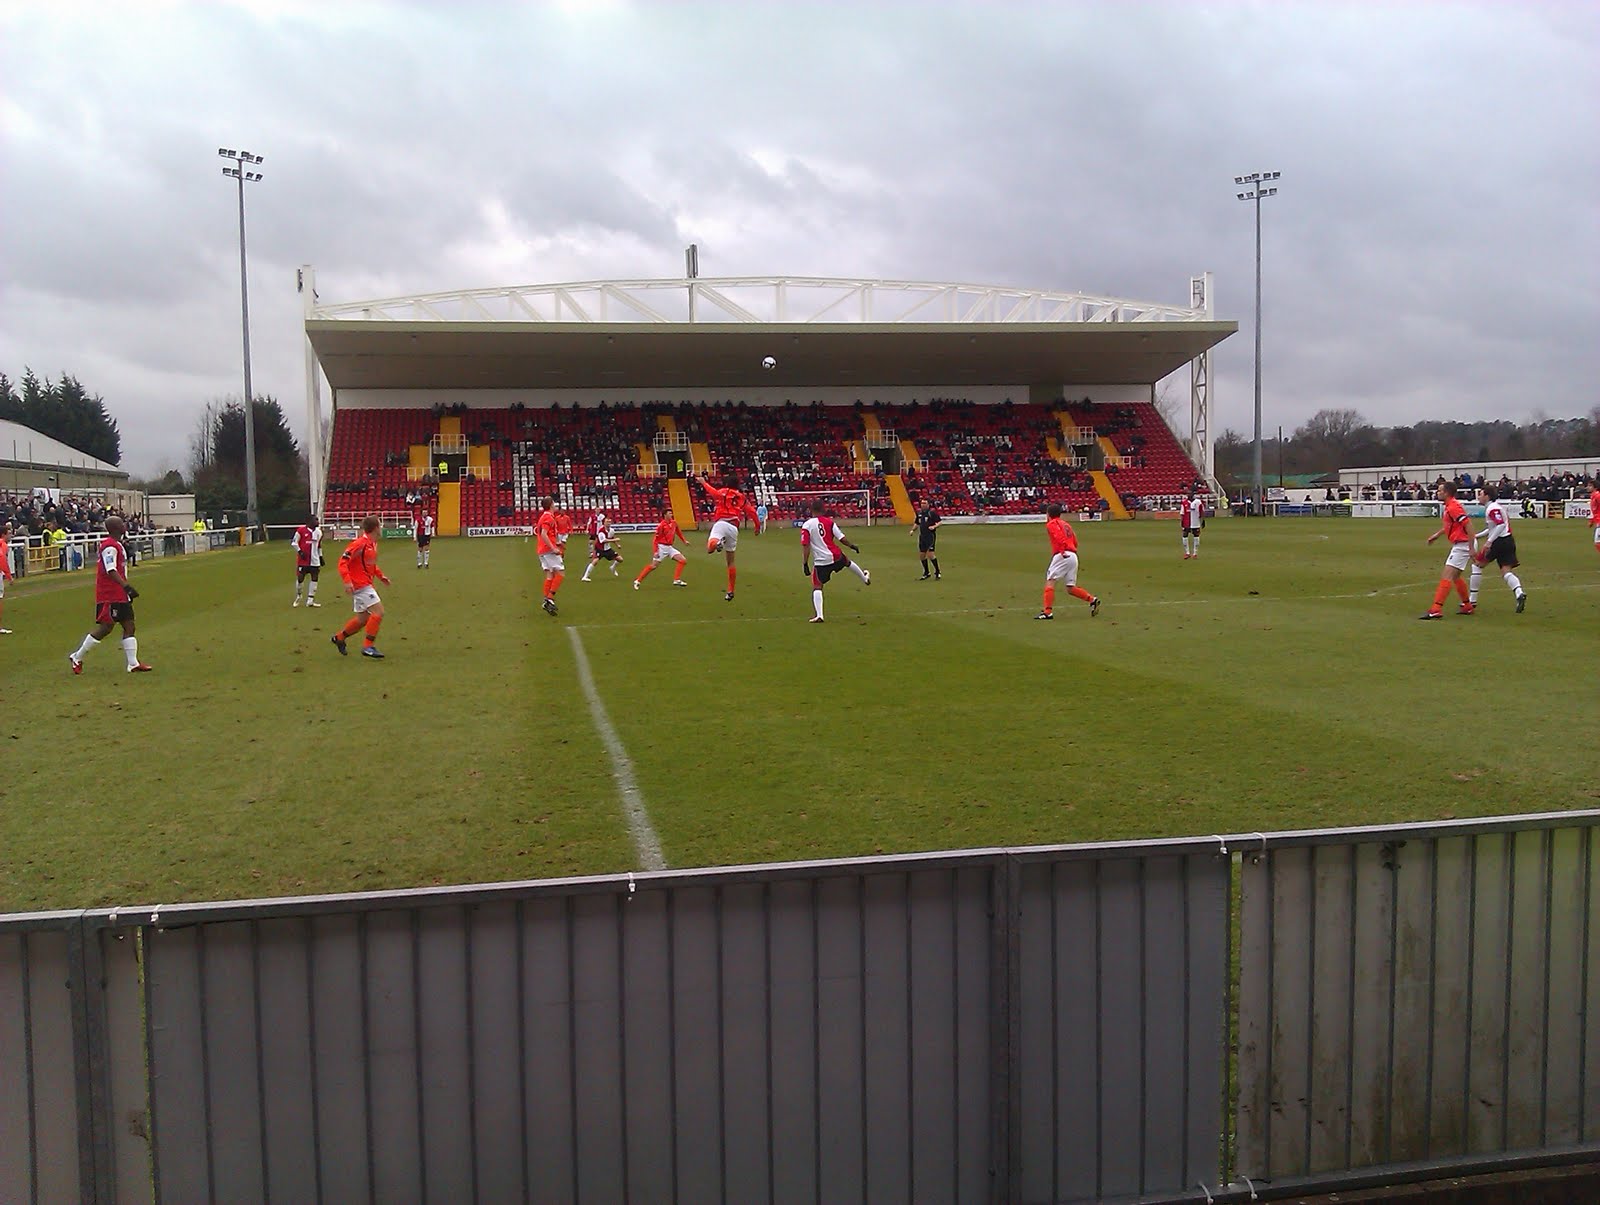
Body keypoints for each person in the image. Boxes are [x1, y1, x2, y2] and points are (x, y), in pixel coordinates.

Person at [67, 516, 152, 673]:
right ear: (115, 528)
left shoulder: (117, 544)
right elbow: (110, 569)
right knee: (106, 628)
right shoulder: (110, 547)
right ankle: (77, 657)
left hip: (119, 594)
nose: (124, 525)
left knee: (129, 625)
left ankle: (132, 663)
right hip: (110, 594)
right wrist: (126, 586)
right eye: (121, 523)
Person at [330, 516, 391, 658]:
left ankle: (339, 638)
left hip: (365, 584)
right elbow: (342, 562)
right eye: (380, 525)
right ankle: (368, 647)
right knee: (378, 612)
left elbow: (371, 565)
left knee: (362, 619)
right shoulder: (360, 544)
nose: (381, 528)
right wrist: (347, 581)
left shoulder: (372, 544)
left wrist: (381, 576)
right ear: (376, 528)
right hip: (361, 585)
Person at [800, 503, 870, 622]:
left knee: (817, 586)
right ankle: (864, 579)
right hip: (835, 555)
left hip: (821, 561)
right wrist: (852, 546)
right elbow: (841, 538)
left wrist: (805, 563)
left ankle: (820, 615)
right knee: (847, 562)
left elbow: (806, 545)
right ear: (823, 510)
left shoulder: (807, 525)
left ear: (811, 511)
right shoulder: (830, 522)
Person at [695, 474, 758, 601]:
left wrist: (703, 482)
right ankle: (730, 591)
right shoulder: (741, 497)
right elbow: (751, 511)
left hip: (722, 523)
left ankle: (718, 542)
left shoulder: (723, 492)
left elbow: (712, 492)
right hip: (734, 528)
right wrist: (757, 526)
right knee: (731, 562)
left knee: (710, 548)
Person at [1419, 481, 1475, 619]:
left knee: (1447, 576)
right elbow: (1451, 526)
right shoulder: (1450, 507)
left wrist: (1471, 547)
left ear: (1446, 493)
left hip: (1462, 545)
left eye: (1439, 491)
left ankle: (1436, 609)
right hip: (1461, 544)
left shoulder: (1454, 507)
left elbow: (1469, 526)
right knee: (1455, 577)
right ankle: (1467, 606)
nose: (1437, 493)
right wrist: (1436, 535)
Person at [1036, 503, 1100, 620]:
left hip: (1063, 554)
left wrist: (1062, 550)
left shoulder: (1052, 524)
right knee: (1070, 588)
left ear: (1048, 514)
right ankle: (1092, 600)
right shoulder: (1066, 524)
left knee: (1050, 581)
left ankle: (1047, 612)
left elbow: (1058, 536)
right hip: (1073, 555)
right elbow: (1075, 541)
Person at [1470, 486, 1526, 612]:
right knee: (1506, 571)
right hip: (1508, 540)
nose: (1478, 496)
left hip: (1498, 542)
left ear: (1487, 496)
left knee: (1477, 565)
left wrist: (1489, 542)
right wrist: (1477, 536)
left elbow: (1500, 525)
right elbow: (1493, 528)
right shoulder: (1496, 507)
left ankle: (1471, 601)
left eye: (1480, 494)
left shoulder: (1492, 508)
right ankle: (1519, 593)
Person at [634, 508, 689, 589]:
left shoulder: (674, 523)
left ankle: (676, 580)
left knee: (683, 560)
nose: (671, 515)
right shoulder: (661, 526)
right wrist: (655, 551)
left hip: (669, 547)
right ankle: (638, 580)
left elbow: (678, 532)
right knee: (653, 566)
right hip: (661, 548)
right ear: (665, 515)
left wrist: (684, 541)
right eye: (669, 513)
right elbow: (655, 540)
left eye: (671, 513)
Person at [536, 495, 565, 616]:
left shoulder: (545, 516)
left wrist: (556, 542)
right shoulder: (549, 517)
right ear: (551, 504)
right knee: (561, 573)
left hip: (542, 550)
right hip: (548, 550)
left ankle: (546, 601)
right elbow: (544, 534)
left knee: (550, 575)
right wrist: (553, 547)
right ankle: (549, 598)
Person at [291, 515, 324, 607]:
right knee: (300, 579)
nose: (318, 521)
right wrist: (300, 551)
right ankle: (299, 595)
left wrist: (321, 557)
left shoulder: (319, 532)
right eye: (316, 520)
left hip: (315, 560)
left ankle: (310, 600)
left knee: (315, 578)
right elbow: (294, 542)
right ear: (309, 521)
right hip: (303, 561)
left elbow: (319, 545)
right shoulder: (300, 531)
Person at [581, 511, 623, 581]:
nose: (609, 523)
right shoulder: (601, 531)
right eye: (607, 522)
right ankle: (585, 576)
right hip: (599, 549)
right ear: (604, 523)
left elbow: (612, 537)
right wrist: (615, 540)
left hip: (608, 549)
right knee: (595, 561)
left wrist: (617, 544)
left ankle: (612, 567)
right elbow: (603, 541)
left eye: (610, 522)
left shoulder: (612, 530)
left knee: (620, 559)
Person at [911, 498, 942, 579]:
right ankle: (926, 572)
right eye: (922, 503)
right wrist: (912, 530)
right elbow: (917, 523)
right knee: (922, 555)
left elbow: (939, 522)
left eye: (925, 503)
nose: (923, 505)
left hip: (930, 536)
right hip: (922, 536)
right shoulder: (920, 513)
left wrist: (934, 526)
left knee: (930, 554)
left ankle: (937, 571)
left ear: (928, 505)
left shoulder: (932, 513)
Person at [1179, 492, 1204, 559]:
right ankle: (1187, 553)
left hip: (1195, 523)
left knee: (1196, 537)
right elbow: (1182, 513)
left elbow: (1201, 511)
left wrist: (1202, 521)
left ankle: (1195, 553)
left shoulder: (1198, 502)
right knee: (1184, 536)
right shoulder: (1184, 503)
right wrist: (1181, 522)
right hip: (1186, 523)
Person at [0, 521, 12, 634]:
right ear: (3, 535)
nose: (11, 536)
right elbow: (2, 561)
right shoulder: (3, 545)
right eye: (9, 533)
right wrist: (9, 576)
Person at [1590, 476, 1600, 561]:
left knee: (1597, 542)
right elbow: (1596, 511)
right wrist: (1592, 520)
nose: (1588, 487)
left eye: (1590, 486)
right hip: (1598, 522)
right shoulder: (1593, 496)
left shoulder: (1597, 496)